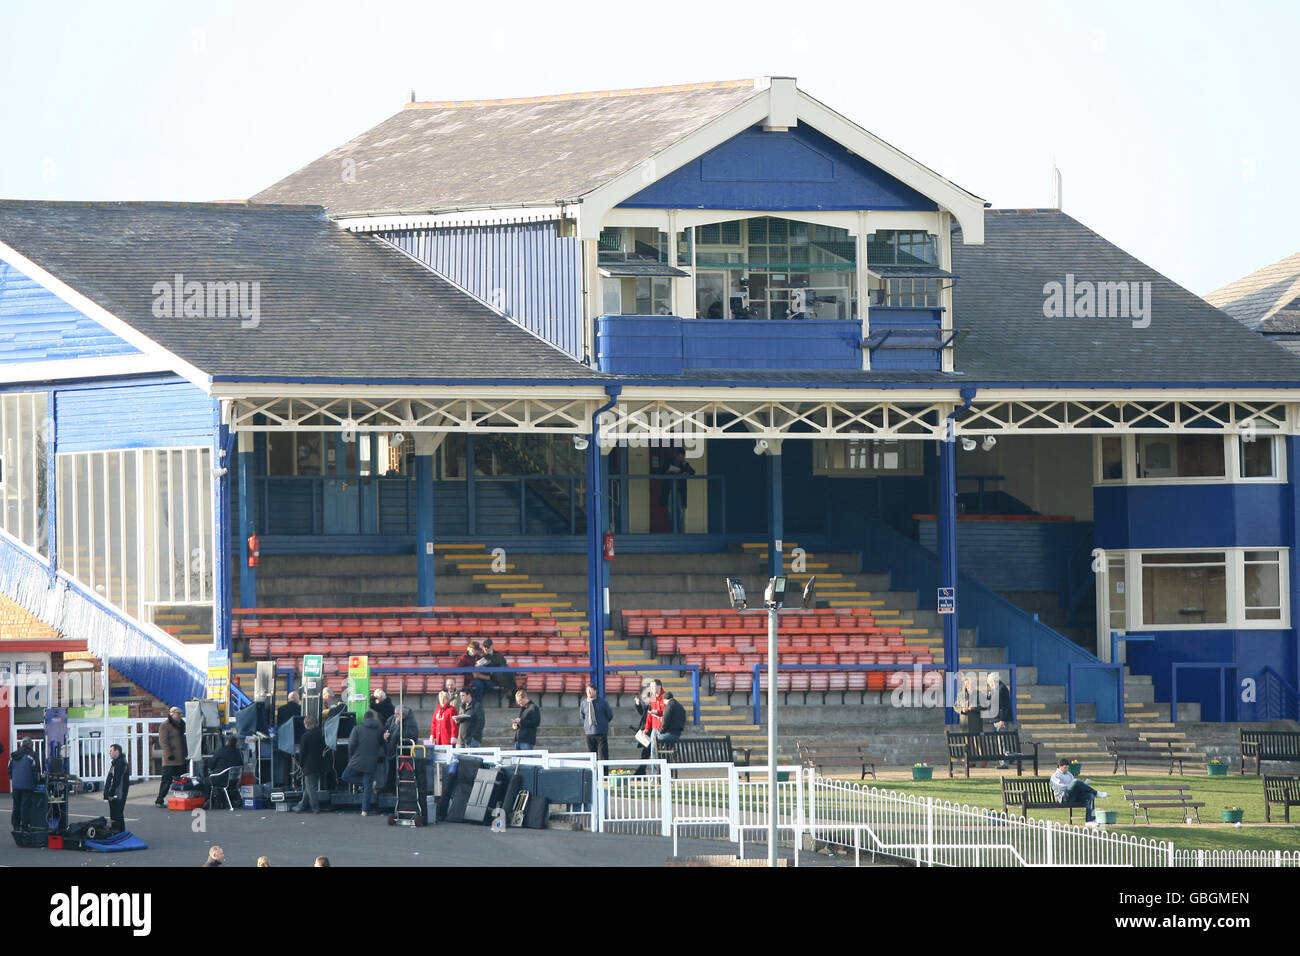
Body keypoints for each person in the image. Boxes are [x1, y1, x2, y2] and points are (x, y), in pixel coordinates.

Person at [342, 709, 385, 816]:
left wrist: (351, 756)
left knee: (346, 776)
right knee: (367, 786)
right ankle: (364, 810)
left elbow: (351, 744)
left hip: (357, 760)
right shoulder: (379, 730)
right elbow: (382, 744)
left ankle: (368, 785)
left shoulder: (357, 728)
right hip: (372, 761)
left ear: (364, 718)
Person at [1049, 757, 1108, 825]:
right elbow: (1060, 787)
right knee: (1076, 782)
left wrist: (1079, 786)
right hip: (1063, 797)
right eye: (1065, 767)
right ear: (1059, 767)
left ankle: (1090, 821)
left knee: (1090, 796)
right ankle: (1096, 793)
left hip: (1074, 796)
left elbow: (1075, 786)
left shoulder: (1069, 774)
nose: (1067, 769)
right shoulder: (1055, 775)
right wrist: (1072, 785)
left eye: (1068, 768)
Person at [156, 706, 188, 807]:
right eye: (178, 714)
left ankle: (181, 799)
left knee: (182, 780)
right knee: (166, 780)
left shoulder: (182, 724)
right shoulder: (164, 726)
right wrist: (169, 754)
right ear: (172, 714)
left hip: (181, 758)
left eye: (181, 714)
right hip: (170, 760)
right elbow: (163, 741)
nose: (180, 715)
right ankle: (159, 800)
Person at [293, 716, 326, 813]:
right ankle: (301, 806)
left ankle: (315, 807)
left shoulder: (305, 736)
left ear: (306, 724)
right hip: (319, 763)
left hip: (308, 765)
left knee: (311, 788)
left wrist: (300, 764)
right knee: (310, 786)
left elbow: (302, 753)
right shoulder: (321, 734)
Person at [659, 449, 695, 532]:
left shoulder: (685, 464)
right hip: (669, 490)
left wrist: (686, 470)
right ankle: (673, 531)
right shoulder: (668, 462)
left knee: (681, 511)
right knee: (671, 511)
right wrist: (667, 472)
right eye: (679, 457)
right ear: (676, 455)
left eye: (682, 457)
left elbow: (693, 472)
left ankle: (680, 531)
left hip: (680, 491)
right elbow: (661, 472)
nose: (680, 459)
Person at [8, 738, 39, 832]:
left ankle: (16, 825)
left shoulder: (14, 755)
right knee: (25, 806)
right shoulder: (32, 755)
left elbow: (9, 770)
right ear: (30, 744)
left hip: (16, 785)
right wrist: (36, 781)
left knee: (16, 805)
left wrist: (15, 779)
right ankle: (25, 826)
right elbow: (36, 771)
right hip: (27, 785)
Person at [578, 683, 614, 761]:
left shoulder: (602, 702)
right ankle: (594, 773)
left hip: (601, 732)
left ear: (595, 691)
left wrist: (602, 723)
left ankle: (604, 772)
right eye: (587, 691)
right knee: (592, 755)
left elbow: (609, 715)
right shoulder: (584, 703)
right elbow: (582, 716)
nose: (589, 693)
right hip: (589, 732)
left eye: (590, 691)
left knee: (603, 755)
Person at [987, 672, 1014, 769]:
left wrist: (1002, 719)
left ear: (994, 680)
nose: (989, 684)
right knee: (1000, 741)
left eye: (990, 682)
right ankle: (1002, 761)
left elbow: (1005, 706)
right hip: (996, 718)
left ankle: (1005, 762)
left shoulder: (1002, 689)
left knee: (1003, 741)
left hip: (1001, 719)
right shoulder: (995, 689)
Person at [103, 743, 130, 833]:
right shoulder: (115, 763)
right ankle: (117, 830)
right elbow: (110, 778)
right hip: (114, 792)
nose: (109, 753)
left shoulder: (121, 763)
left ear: (117, 751)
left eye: (111, 751)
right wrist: (106, 793)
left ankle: (118, 831)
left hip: (118, 793)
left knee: (117, 813)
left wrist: (111, 793)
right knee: (114, 814)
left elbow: (117, 780)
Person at [652, 691, 686, 756]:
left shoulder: (669, 706)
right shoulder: (680, 706)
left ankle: (655, 762)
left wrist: (661, 731)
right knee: (666, 746)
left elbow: (665, 721)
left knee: (654, 735)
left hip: (669, 734)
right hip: (677, 734)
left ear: (665, 699)